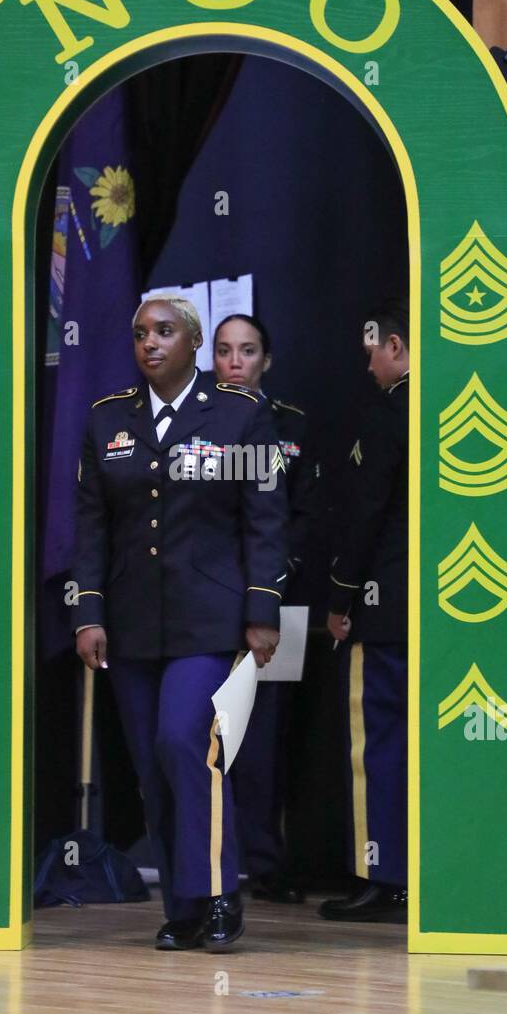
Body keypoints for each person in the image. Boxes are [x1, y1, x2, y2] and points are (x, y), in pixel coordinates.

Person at [73, 296, 289, 951]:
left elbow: (266, 517)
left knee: (183, 742)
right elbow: (91, 524)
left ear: (194, 343)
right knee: (152, 767)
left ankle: (222, 893)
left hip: (211, 620)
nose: (150, 343)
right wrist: (88, 610)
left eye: (164, 332)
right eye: (140, 333)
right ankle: (185, 903)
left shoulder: (238, 414)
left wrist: (262, 610)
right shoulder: (108, 419)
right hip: (134, 623)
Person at [213, 314, 322, 904]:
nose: (235, 362)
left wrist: (272, 585)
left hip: (282, 600)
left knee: (271, 733)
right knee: (210, 731)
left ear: (266, 361)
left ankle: (267, 861)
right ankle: (214, 861)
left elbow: (303, 515)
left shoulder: (293, 425)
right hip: (207, 601)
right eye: (225, 350)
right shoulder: (193, 422)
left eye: (247, 351)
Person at [321, 298, 409, 923]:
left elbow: (364, 516)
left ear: (397, 347)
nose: (368, 363)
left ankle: (381, 877)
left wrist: (340, 597)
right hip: (441, 613)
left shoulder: (384, 415)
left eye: (373, 350)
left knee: (376, 746)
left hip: (381, 612)